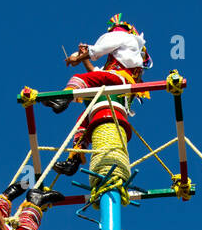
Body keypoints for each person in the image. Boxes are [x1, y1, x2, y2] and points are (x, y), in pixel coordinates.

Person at [43, 14, 152, 189]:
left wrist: (78, 57)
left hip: (117, 82)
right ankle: (74, 159)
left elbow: (100, 49)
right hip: (118, 91)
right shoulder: (127, 54)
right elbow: (96, 71)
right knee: (84, 121)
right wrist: (84, 57)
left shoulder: (123, 37)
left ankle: (63, 98)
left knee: (80, 79)